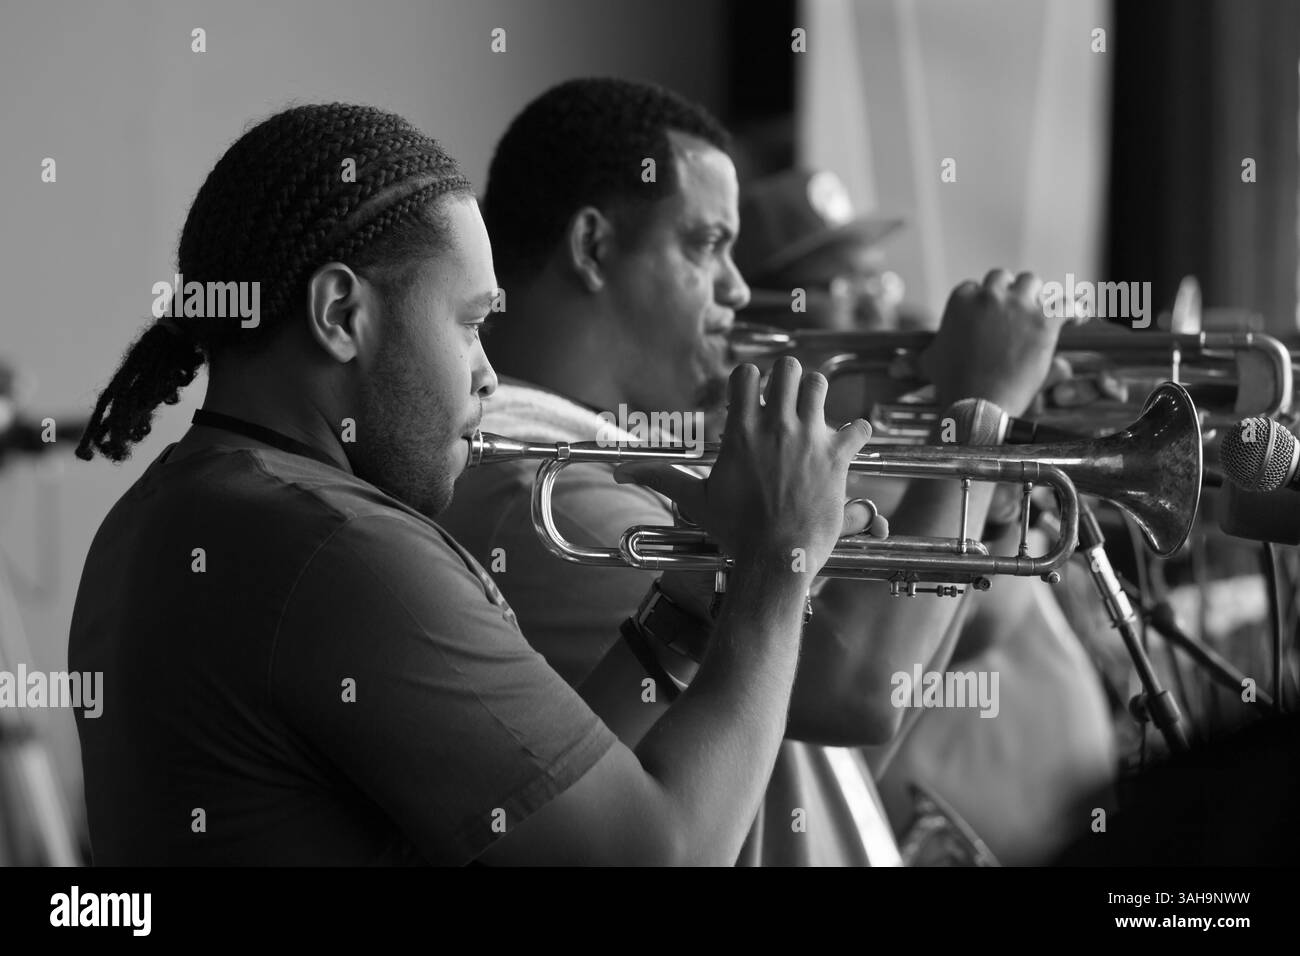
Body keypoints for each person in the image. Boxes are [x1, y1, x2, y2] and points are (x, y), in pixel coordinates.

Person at [67, 102, 875, 866]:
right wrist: (776, 564)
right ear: (341, 313)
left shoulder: (164, 511)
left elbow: (536, 803)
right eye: (471, 322)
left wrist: (684, 615)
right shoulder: (343, 549)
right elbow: (663, 852)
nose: (489, 373)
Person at [437, 77, 1077, 865]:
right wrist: (977, 414)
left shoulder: (616, 466)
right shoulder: (539, 491)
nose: (738, 290)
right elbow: (859, 691)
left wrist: (988, 494)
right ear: (594, 248)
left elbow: (862, 718)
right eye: (706, 245)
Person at [732, 166, 1118, 864]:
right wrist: (982, 413)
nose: (876, 308)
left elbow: (990, 601)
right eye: (839, 286)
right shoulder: (794, 481)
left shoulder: (891, 448)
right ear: (756, 316)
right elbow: (869, 675)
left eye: (877, 281)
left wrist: (1003, 461)